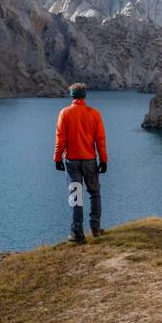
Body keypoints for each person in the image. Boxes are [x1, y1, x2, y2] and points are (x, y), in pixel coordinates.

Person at [53, 83, 107, 244]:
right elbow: (101, 140)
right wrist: (104, 160)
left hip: (72, 162)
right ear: (84, 96)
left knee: (76, 195)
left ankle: (77, 233)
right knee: (94, 193)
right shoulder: (94, 114)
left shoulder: (65, 113)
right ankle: (95, 228)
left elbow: (60, 139)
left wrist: (57, 158)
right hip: (90, 160)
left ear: (72, 95)